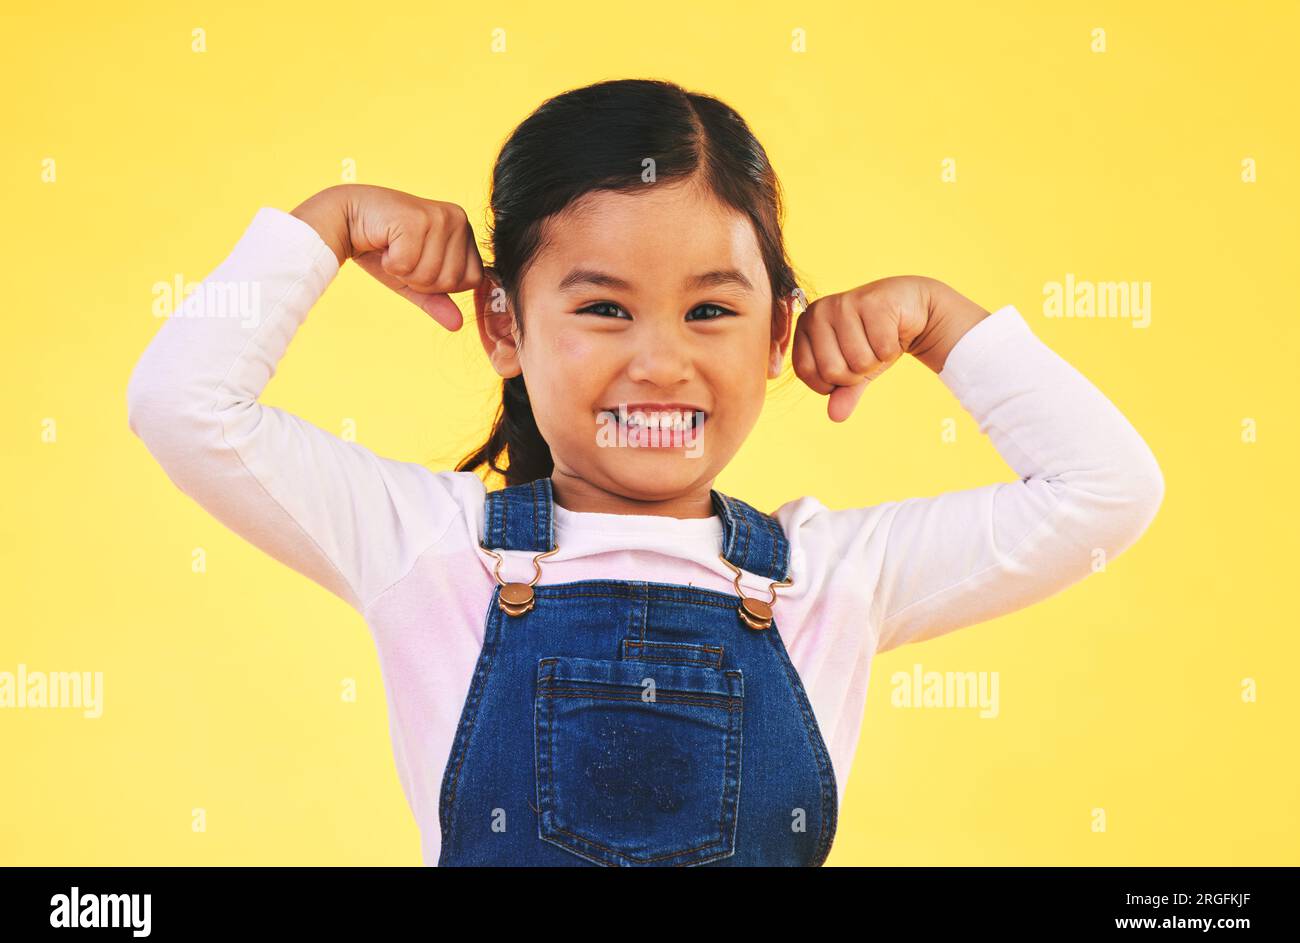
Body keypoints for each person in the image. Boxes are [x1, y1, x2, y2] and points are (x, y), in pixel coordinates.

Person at [126, 77, 1164, 866]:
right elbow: (183, 407)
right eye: (603, 307)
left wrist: (948, 328)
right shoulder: (430, 548)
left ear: (776, 336)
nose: (661, 361)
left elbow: (1106, 492)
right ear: (504, 325)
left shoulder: (829, 578)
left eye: (711, 309)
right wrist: (326, 228)